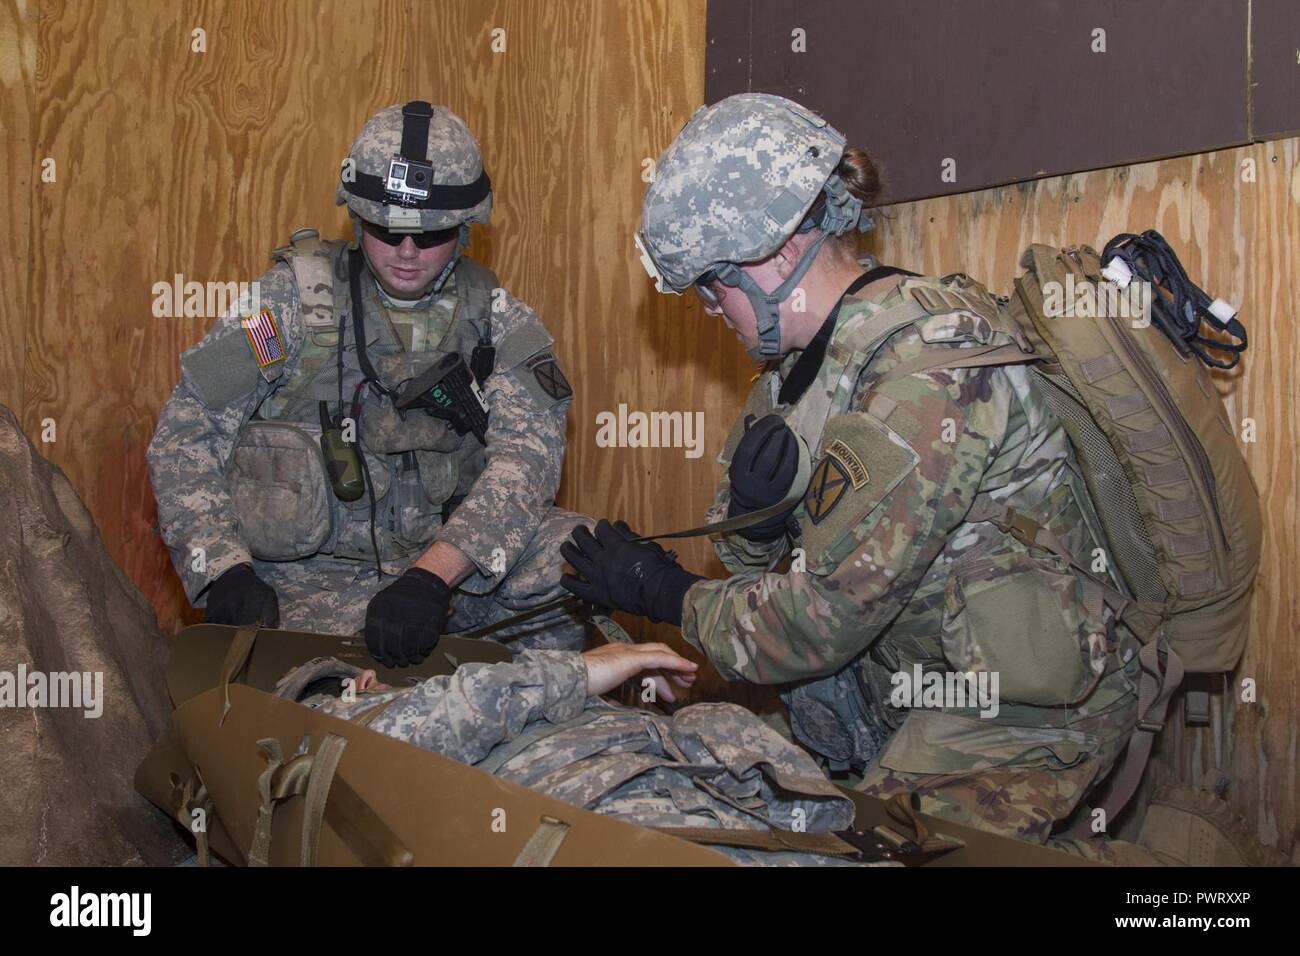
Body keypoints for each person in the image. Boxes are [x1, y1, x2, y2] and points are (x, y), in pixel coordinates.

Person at [561, 92, 1147, 859]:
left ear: (773, 254)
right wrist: (757, 516)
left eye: (711, 283)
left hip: (1016, 705)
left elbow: (815, 623)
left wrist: (661, 592)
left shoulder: (923, 371)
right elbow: (746, 558)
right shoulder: (797, 371)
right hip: (906, 667)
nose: (709, 309)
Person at [149, 102, 589, 663]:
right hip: (305, 588)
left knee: (573, 551)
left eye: (430, 236)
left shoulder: (496, 317)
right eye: (388, 230)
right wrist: (222, 568)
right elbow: (186, 434)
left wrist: (432, 577)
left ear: (466, 227)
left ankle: (540, 704)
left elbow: (527, 460)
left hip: (442, 575)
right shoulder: (291, 303)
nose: (407, 252)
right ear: (356, 218)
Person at [278, 642, 868, 866]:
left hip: (681, 776)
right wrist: (585, 669)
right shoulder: (345, 726)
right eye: (371, 684)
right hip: (605, 809)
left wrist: (612, 694)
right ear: (354, 690)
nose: (385, 684)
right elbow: (440, 716)